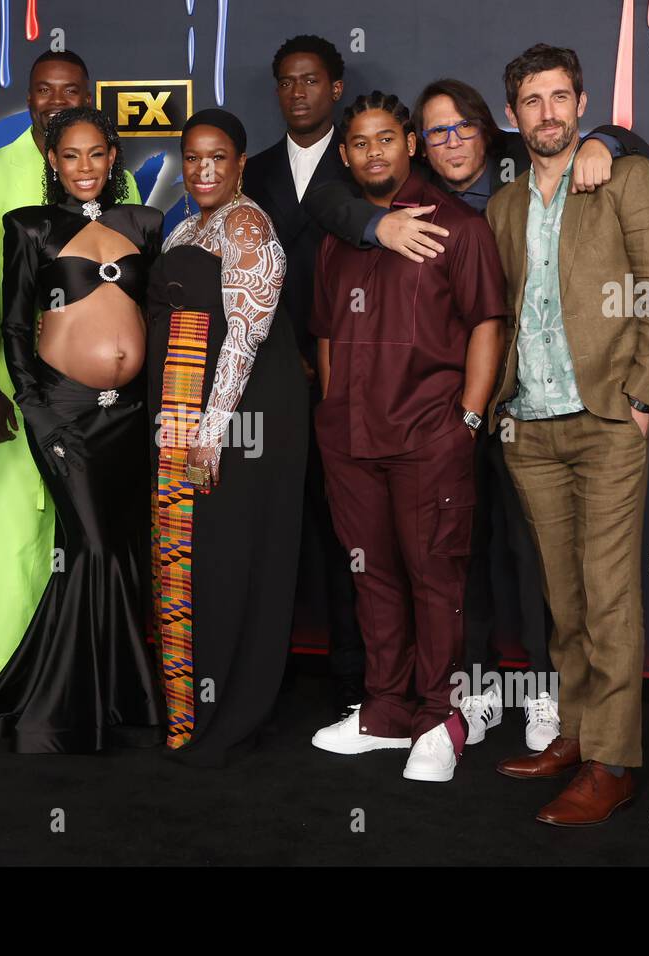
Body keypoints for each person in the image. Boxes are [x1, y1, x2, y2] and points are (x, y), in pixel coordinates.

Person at [305, 76, 649, 752]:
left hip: (516, 416)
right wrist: (374, 223)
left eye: (460, 128)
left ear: (489, 131)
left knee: (533, 564)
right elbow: (324, 233)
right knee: (447, 567)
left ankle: (550, 706)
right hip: (412, 429)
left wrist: (466, 418)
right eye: (436, 131)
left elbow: (489, 323)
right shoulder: (359, 221)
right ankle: (455, 701)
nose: (450, 141)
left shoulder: (511, 196)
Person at [485, 45, 649, 824]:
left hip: (608, 419)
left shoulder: (624, 176)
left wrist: (643, 398)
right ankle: (573, 732)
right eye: (532, 101)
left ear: (581, 102)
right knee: (562, 598)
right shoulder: (503, 206)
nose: (548, 114)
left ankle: (613, 762)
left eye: (560, 98)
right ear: (513, 116)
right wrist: (503, 409)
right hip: (529, 427)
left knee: (608, 598)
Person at [307, 91, 506, 783]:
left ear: (410, 144)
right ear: (345, 154)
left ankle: (439, 719)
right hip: (350, 439)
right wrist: (333, 408)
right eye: (360, 142)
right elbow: (326, 331)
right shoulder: (342, 236)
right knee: (374, 578)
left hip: (430, 435)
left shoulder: (460, 226)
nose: (373, 152)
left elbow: (487, 322)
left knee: (435, 580)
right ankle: (386, 712)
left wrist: (469, 418)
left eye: (386, 138)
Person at [0, 108, 163, 752]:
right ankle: (61, 706)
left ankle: (120, 694)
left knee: (118, 548)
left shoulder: (144, 224)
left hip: (130, 415)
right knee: (89, 547)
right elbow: (12, 325)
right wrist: (34, 406)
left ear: (113, 157)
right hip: (66, 412)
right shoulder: (30, 226)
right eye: (70, 156)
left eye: (95, 155)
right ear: (51, 162)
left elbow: (157, 321)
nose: (83, 168)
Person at [0, 50, 142, 676]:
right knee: (10, 529)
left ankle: (85, 672)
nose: (58, 101)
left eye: (72, 90)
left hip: (101, 404)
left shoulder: (127, 194)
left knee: (96, 536)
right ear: (29, 95)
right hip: (14, 386)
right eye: (45, 90)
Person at [147, 108, 307, 767]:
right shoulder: (186, 225)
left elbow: (244, 338)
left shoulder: (247, 225)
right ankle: (187, 713)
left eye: (218, 157)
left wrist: (212, 435)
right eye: (192, 157)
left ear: (241, 163)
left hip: (237, 421)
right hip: (182, 411)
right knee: (191, 558)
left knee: (228, 556)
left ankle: (226, 713)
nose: (204, 169)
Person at [241, 34, 363, 717]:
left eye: (311, 80)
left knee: (349, 536)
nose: (297, 92)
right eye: (286, 81)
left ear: (336, 87)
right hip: (267, 379)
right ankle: (266, 670)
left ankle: (354, 676)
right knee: (271, 528)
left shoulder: (367, 161)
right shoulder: (249, 172)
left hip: (349, 380)